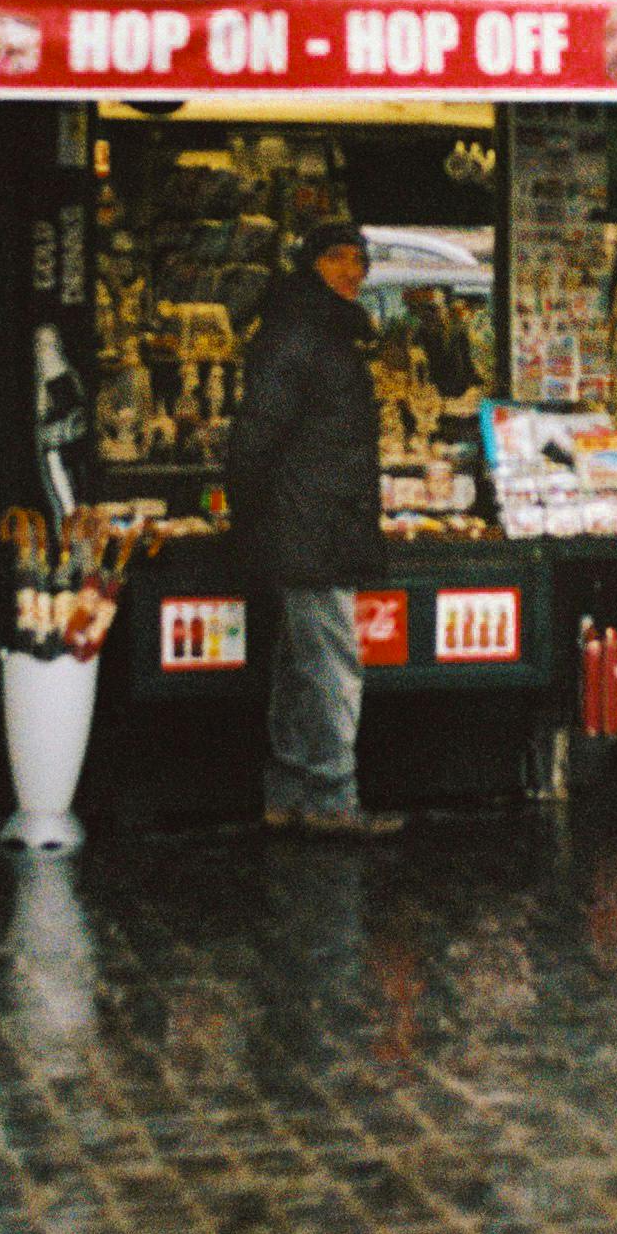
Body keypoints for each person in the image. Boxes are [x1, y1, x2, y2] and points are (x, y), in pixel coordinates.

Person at [224, 221, 402, 836]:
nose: (351, 271)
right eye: (336, 258)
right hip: (310, 523)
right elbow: (256, 436)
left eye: (359, 260)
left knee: (302, 665)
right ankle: (331, 796)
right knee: (331, 665)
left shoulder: (317, 332)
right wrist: (257, 516)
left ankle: (288, 793)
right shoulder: (302, 335)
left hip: (313, 519)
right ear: (311, 264)